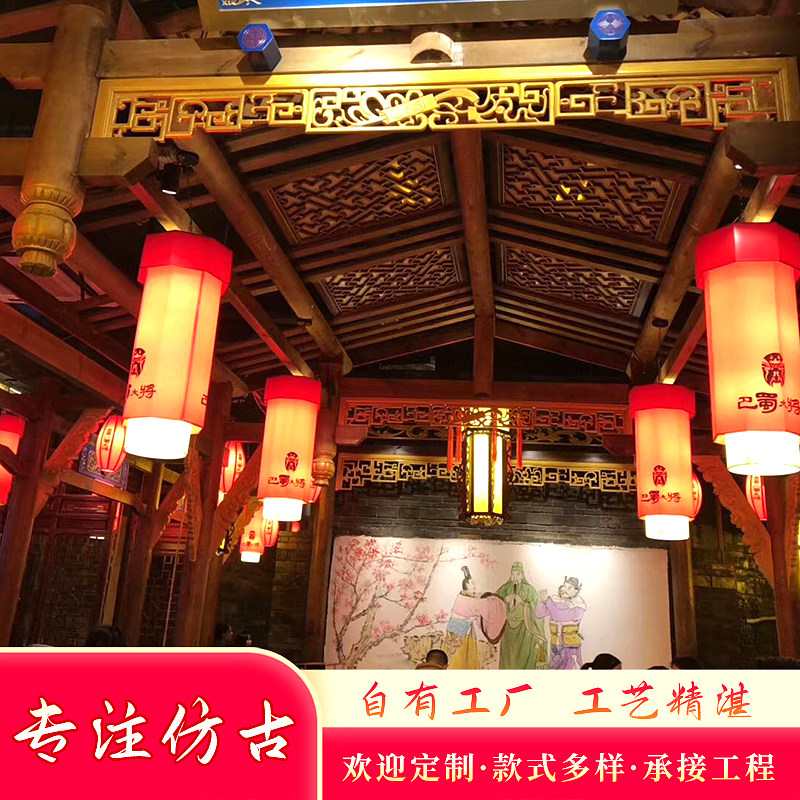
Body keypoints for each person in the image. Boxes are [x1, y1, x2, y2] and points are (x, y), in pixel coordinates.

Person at [445, 566, 506, 669]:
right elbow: (483, 605)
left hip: (465, 631)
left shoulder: (467, 597)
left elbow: (479, 599)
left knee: (468, 658)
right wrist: (497, 603)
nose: (474, 586)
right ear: (466, 585)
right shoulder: (464, 599)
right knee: (458, 658)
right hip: (458, 632)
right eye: (472, 583)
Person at [495, 562, 547, 670]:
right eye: (513, 574)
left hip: (525, 628)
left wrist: (523, 603)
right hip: (508, 629)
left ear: (522, 575)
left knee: (525, 656)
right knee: (509, 657)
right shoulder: (505, 588)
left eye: (518, 574)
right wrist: (504, 600)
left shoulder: (530, 590)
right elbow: (494, 602)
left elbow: (537, 609)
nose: (515, 577)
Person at [535, 576, 587, 670]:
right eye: (564, 586)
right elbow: (539, 614)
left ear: (576, 591)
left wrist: (547, 601)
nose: (565, 590)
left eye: (569, 588)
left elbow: (560, 615)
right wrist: (541, 601)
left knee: (570, 667)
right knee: (555, 667)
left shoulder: (578, 604)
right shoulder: (555, 601)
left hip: (570, 644)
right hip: (556, 644)